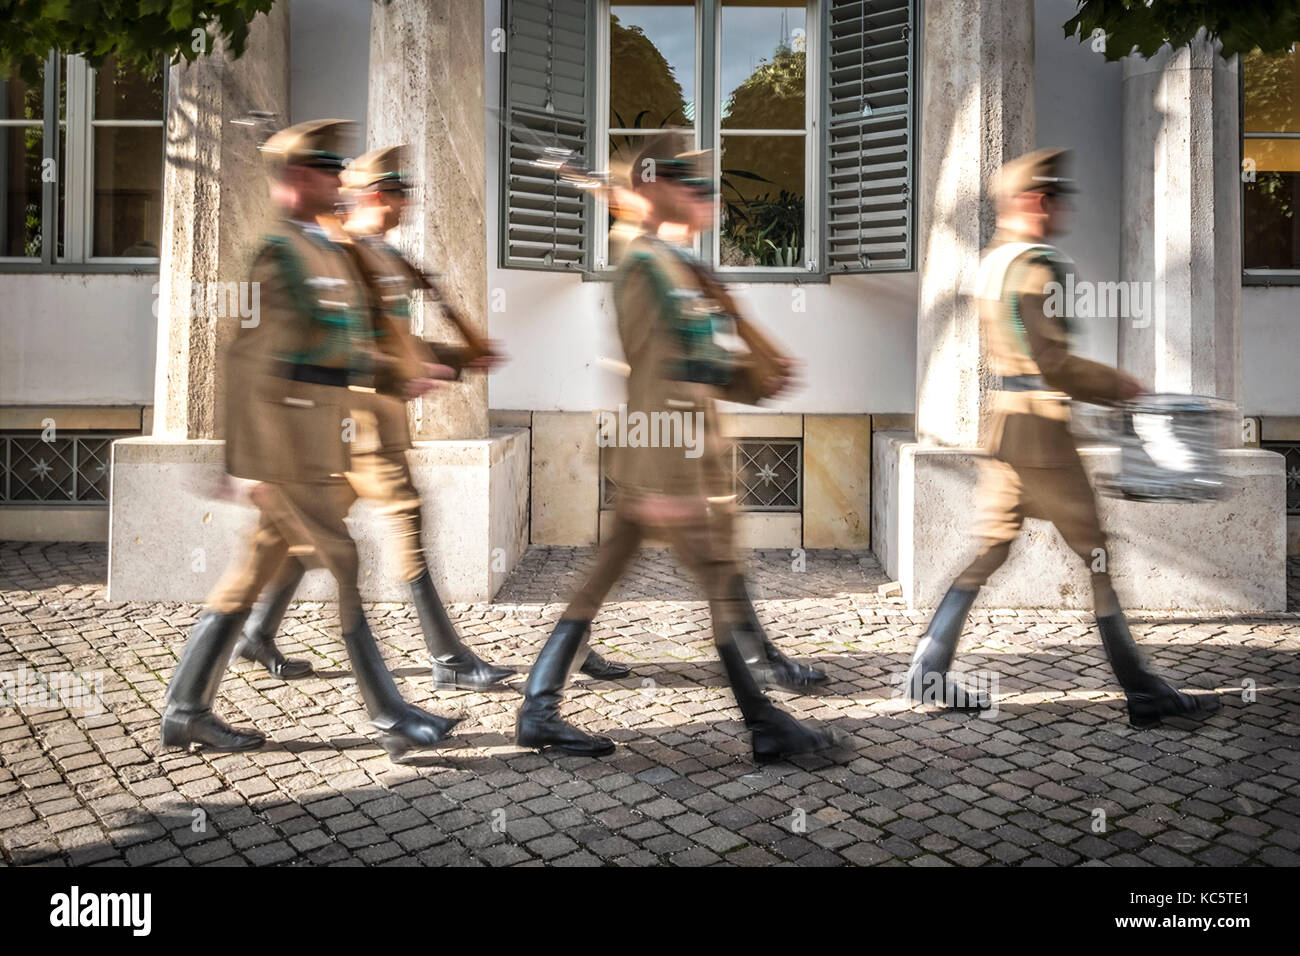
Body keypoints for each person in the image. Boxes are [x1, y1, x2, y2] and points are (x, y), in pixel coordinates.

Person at [515, 132, 834, 762]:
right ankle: (765, 724)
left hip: (680, 457)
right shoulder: (642, 265)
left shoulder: (674, 264)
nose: (707, 196)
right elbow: (655, 374)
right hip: (666, 459)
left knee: (605, 577)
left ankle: (538, 708)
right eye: (694, 186)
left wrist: (757, 374)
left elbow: (701, 364)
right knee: (716, 577)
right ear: (656, 187)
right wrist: (664, 482)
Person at [159, 120, 459, 758]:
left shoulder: (330, 250)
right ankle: (391, 716)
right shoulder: (282, 256)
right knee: (345, 563)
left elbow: (344, 352)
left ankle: (186, 709)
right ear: (298, 179)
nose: (338, 180)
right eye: (327, 171)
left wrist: (411, 370)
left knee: (248, 576)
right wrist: (249, 464)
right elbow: (249, 364)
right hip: (286, 448)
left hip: (322, 440)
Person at [904, 147, 1221, 729]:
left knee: (992, 547)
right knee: (1098, 554)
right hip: (1043, 436)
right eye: (1056, 200)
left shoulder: (996, 261)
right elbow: (1051, 360)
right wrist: (1118, 384)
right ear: (1035, 201)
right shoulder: (1036, 266)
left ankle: (928, 666)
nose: (1062, 211)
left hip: (1007, 428)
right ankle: (1142, 690)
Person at [233, 145, 513, 690]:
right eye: (400, 192)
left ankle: (255, 632)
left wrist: (459, 362)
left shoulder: (385, 257)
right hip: (354, 417)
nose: (408, 203)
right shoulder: (344, 255)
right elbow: (349, 348)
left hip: (377, 416)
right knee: (403, 516)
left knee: (301, 533)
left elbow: (405, 347)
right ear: (376, 195)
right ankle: (446, 659)